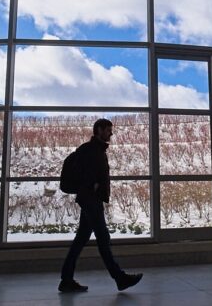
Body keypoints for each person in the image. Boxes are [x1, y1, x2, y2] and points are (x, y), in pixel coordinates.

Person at [58, 118, 143, 293]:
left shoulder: (93, 149)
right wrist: (91, 186)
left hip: (90, 199)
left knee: (81, 240)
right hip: (91, 200)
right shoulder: (91, 151)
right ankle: (119, 278)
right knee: (103, 240)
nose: (111, 133)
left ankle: (66, 279)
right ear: (99, 130)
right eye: (108, 130)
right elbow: (87, 173)